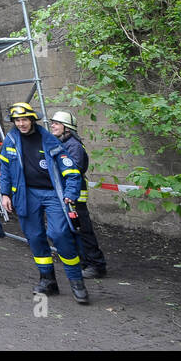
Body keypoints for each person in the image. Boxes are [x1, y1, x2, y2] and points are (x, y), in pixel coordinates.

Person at [0, 102, 89, 304]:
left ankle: (76, 282)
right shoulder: (11, 139)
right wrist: (4, 193)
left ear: (32, 119)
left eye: (24, 119)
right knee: (34, 237)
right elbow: (5, 168)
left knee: (59, 234)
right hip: (26, 194)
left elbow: (71, 171)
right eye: (17, 120)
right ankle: (48, 280)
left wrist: (70, 194)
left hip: (52, 195)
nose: (21, 123)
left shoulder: (48, 140)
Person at [48, 110, 108, 279]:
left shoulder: (73, 146)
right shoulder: (63, 143)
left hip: (75, 198)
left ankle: (96, 265)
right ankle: (84, 262)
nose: (52, 125)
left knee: (84, 231)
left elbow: (72, 171)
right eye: (53, 122)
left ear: (67, 128)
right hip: (67, 197)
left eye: (57, 123)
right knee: (74, 231)